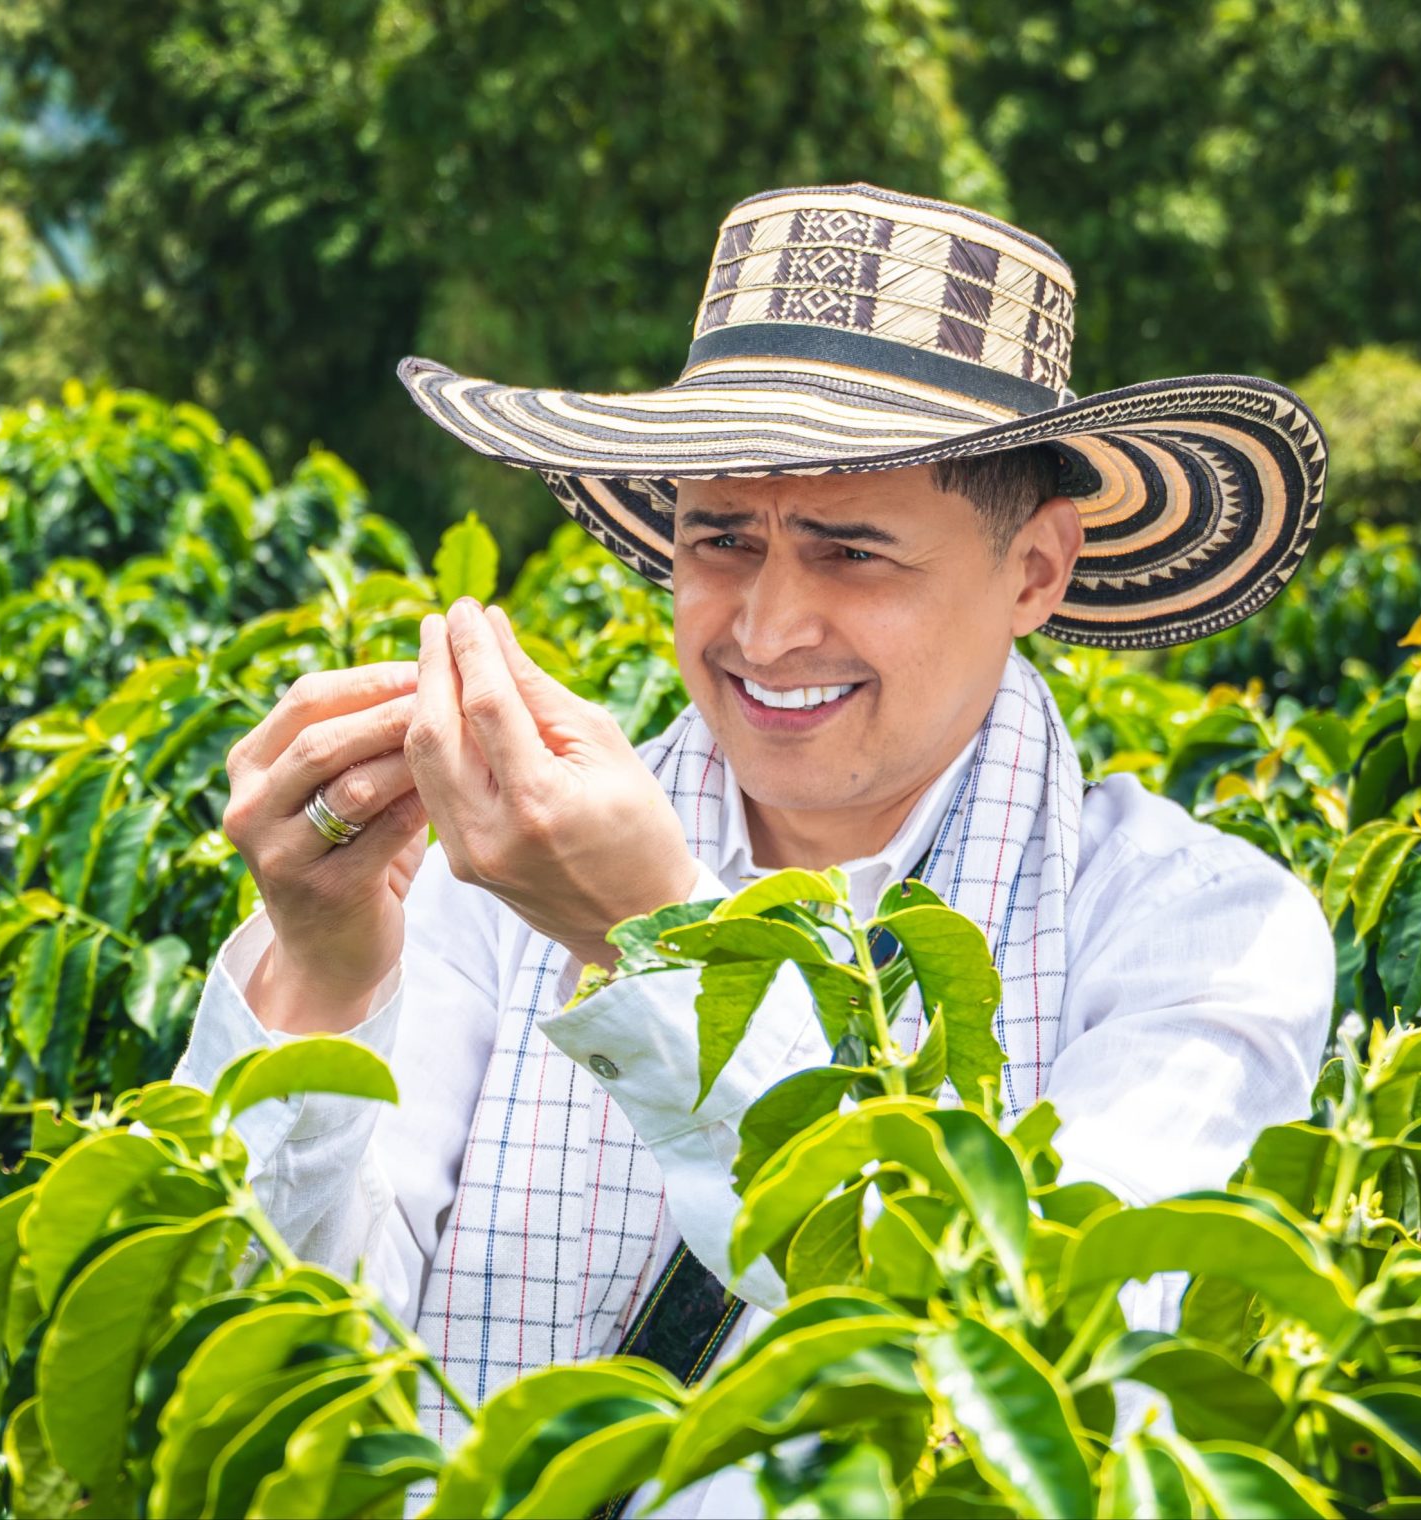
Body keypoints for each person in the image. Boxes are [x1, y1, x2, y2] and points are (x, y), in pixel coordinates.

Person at [176, 183, 1337, 1507]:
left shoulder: (1191, 930)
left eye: (853, 551)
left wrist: (659, 941)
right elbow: (290, 1372)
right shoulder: (486, 871)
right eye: (720, 539)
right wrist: (321, 975)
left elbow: (1051, 1379)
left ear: (1037, 571)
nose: (768, 627)